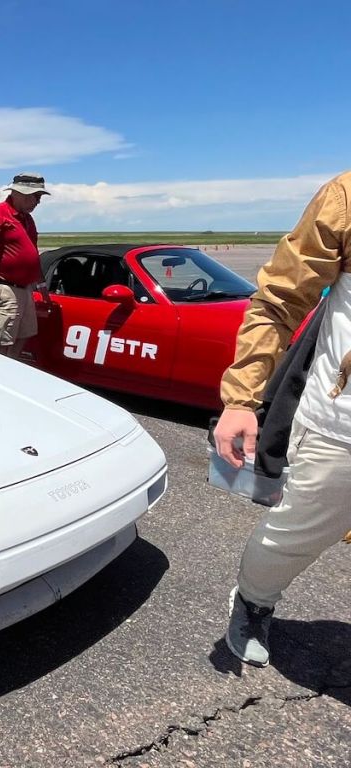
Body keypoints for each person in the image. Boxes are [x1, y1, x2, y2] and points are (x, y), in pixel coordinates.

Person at [214, 170, 351, 667]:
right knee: (295, 534)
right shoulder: (346, 196)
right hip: (341, 424)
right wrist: (241, 399)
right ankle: (254, 600)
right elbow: (279, 299)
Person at [0, 172, 50, 359]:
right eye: (36, 196)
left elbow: (32, 253)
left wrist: (41, 286)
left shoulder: (27, 219)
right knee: (1, 342)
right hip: (5, 288)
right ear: (21, 194)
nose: (38, 202)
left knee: (22, 337)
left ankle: (12, 372)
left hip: (25, 290)